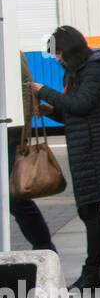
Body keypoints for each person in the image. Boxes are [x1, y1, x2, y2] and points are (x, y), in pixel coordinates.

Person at [25, 26, 100, 291]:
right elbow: (75, 112)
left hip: (98, 149)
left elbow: (81, 105)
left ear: (71, 49)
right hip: (87, 148)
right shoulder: (80, 71)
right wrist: (51, 110)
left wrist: (44, 91)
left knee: (89, 210)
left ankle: (94, 270)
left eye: (59, 53)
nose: (57, 59)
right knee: (89, 210)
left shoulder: (96, 69)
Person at [8, 53, 56, 252]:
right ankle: (43, 245)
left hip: (8, 135)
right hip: (10, 134)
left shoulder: (8, 48)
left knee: (16, 197)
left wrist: (20, 129)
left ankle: (44, 247)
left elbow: (26, 87)